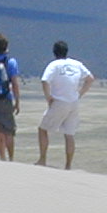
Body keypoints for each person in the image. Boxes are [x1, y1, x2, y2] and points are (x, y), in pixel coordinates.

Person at [36, 40, 96, 169]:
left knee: (43, 129)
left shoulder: (54, 65)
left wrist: (48, 98)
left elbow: (44, 80)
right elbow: (90, 78)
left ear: (54, 52)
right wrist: (80, 94)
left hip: (59, 101)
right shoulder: (76, 64)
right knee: (69, 134)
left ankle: (42, 159)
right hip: (73, 102)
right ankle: (68, 165)